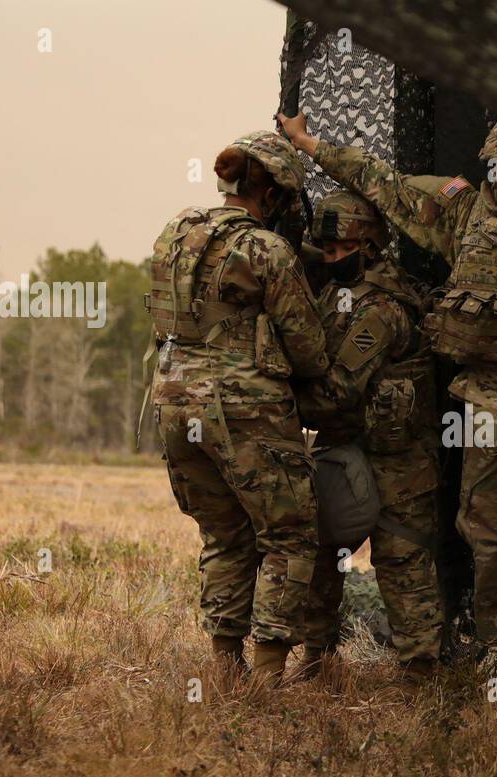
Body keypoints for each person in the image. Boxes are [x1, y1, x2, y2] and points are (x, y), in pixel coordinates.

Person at [278, 113, 497, 708]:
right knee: (493, 540)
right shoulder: (463, 215)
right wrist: (312, 145)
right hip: (486, 408)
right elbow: (381, 182)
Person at [146, 130, 327, 684]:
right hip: (244, 412)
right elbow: (308, 348)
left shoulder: (173, 234)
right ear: (271, 193)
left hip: (173, 404)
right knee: (288, 536)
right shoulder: (267, 250)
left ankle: (226, 667)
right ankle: (270, 672)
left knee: (224, 535)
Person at [294, 189, 444, 682]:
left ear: (371, 247)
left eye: (341, 251)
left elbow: (340, 387)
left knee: (402, 558)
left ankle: (421, 670)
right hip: (345, 448)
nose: (332, 259)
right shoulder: (335, 297)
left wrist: (280, 405)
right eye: (328, 251)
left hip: (399, 458)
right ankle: (318, 656)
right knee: (321, 550)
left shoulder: (381, 309)